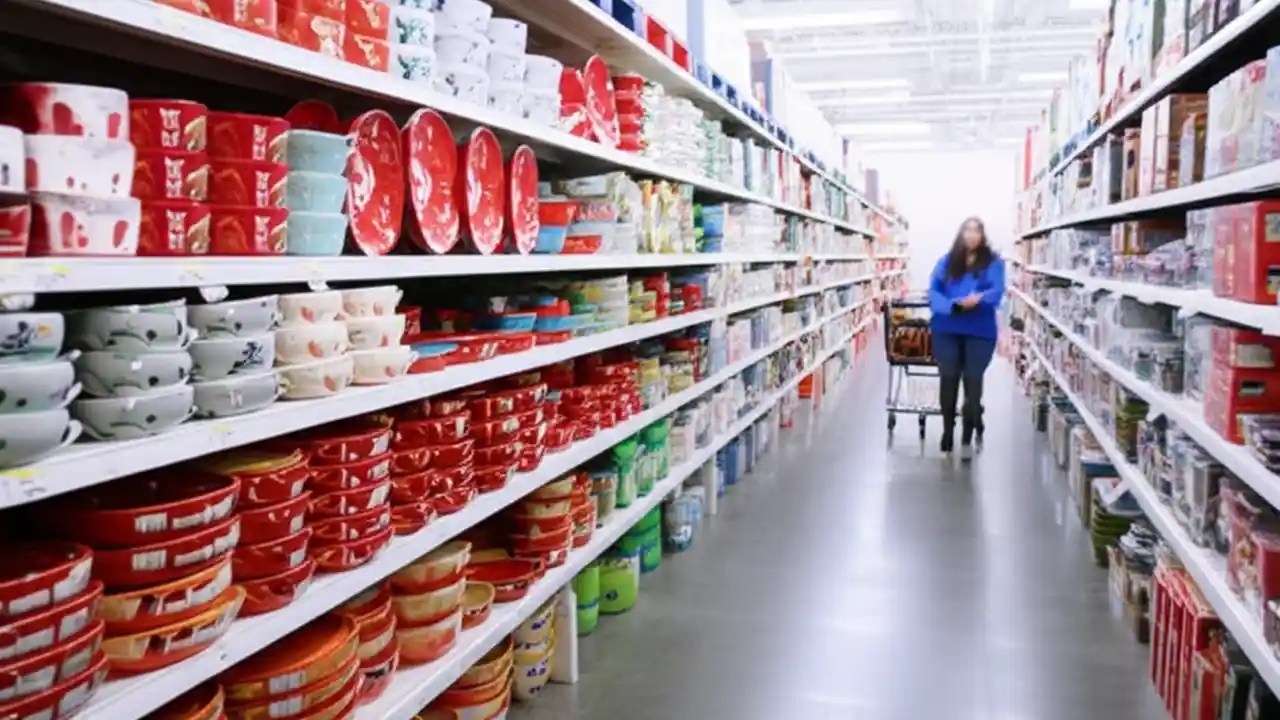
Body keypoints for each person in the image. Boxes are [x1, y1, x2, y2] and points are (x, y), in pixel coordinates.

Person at [928, 216, 1006, 459]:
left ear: (982, 236)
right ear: (961, 234)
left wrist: (978, 300)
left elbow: (997, 290)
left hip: (979, 330)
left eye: (976, 231)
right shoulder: (947, 261)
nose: (971, 235)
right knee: (948, 375)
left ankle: (969, 425)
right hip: (947, 327)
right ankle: (947, 430)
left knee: (973, 379)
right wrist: (953, 306)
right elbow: (934, 290)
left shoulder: (993, 263)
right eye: (967, 230)